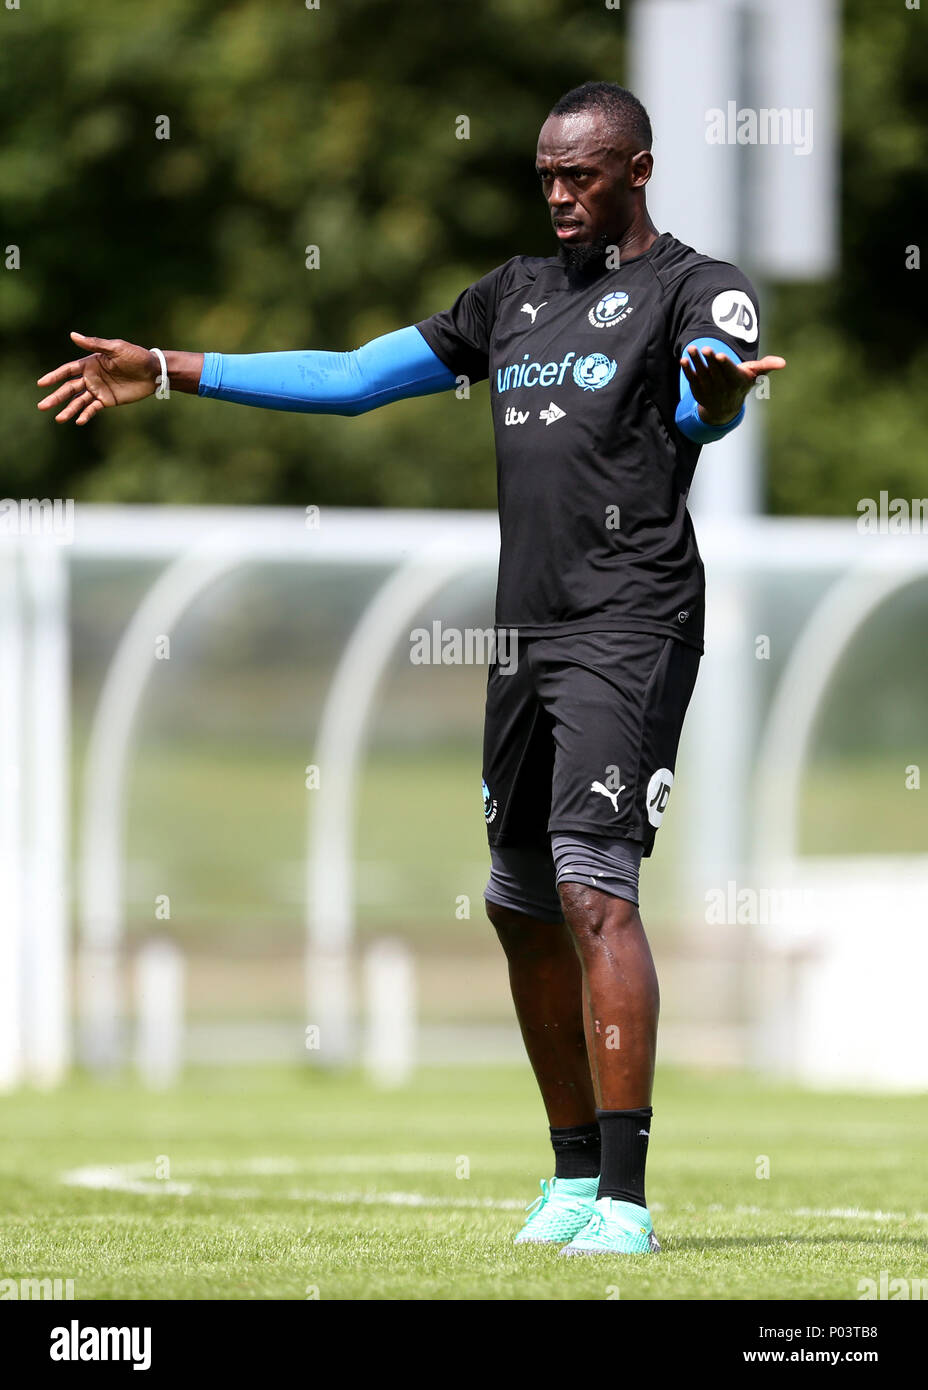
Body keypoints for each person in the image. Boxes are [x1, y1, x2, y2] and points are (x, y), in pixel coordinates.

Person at [38, 80, 785, 1256]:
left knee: (597, 884)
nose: (556, 193)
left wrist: (713, 400)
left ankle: (631, 1203)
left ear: (636, 171)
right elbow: (350, 379)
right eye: (543, 172)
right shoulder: (515, 297)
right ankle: (573, 1177)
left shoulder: (697, 287)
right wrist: (175, 369)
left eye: (578, 174)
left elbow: (708, 397)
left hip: (630, 627)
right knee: (518, 903)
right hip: (524, 633)